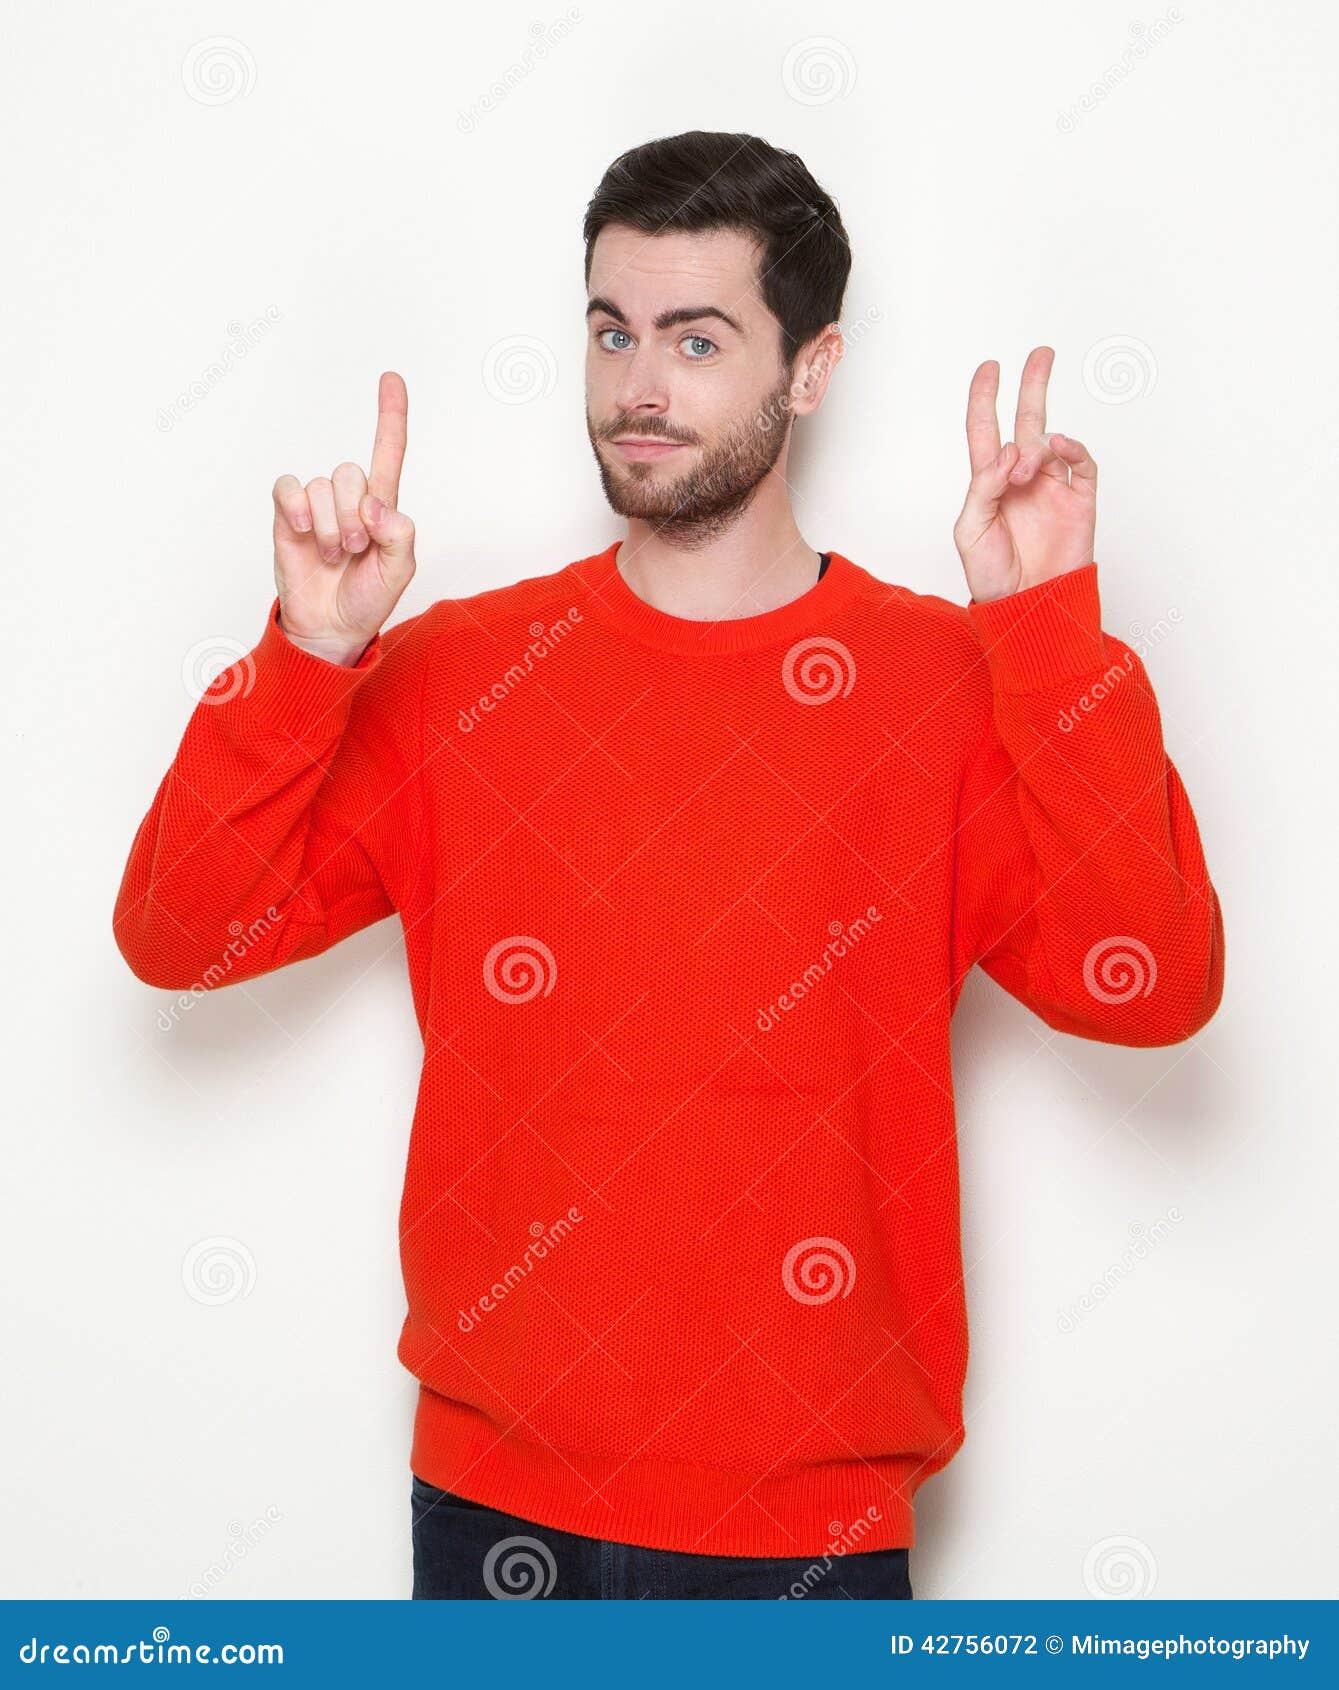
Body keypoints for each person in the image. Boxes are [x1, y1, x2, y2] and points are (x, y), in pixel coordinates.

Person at [112, 131, 1225, 1601]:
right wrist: (309, 653)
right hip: (495, 1506)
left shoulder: (947, 685)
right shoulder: (461, 674)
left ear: (811, 369)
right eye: (612, 330)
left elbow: (1149, 988)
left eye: (699, 340)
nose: (639, 386)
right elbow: (178, 937)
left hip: (812, 1540)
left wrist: (1051, 633)